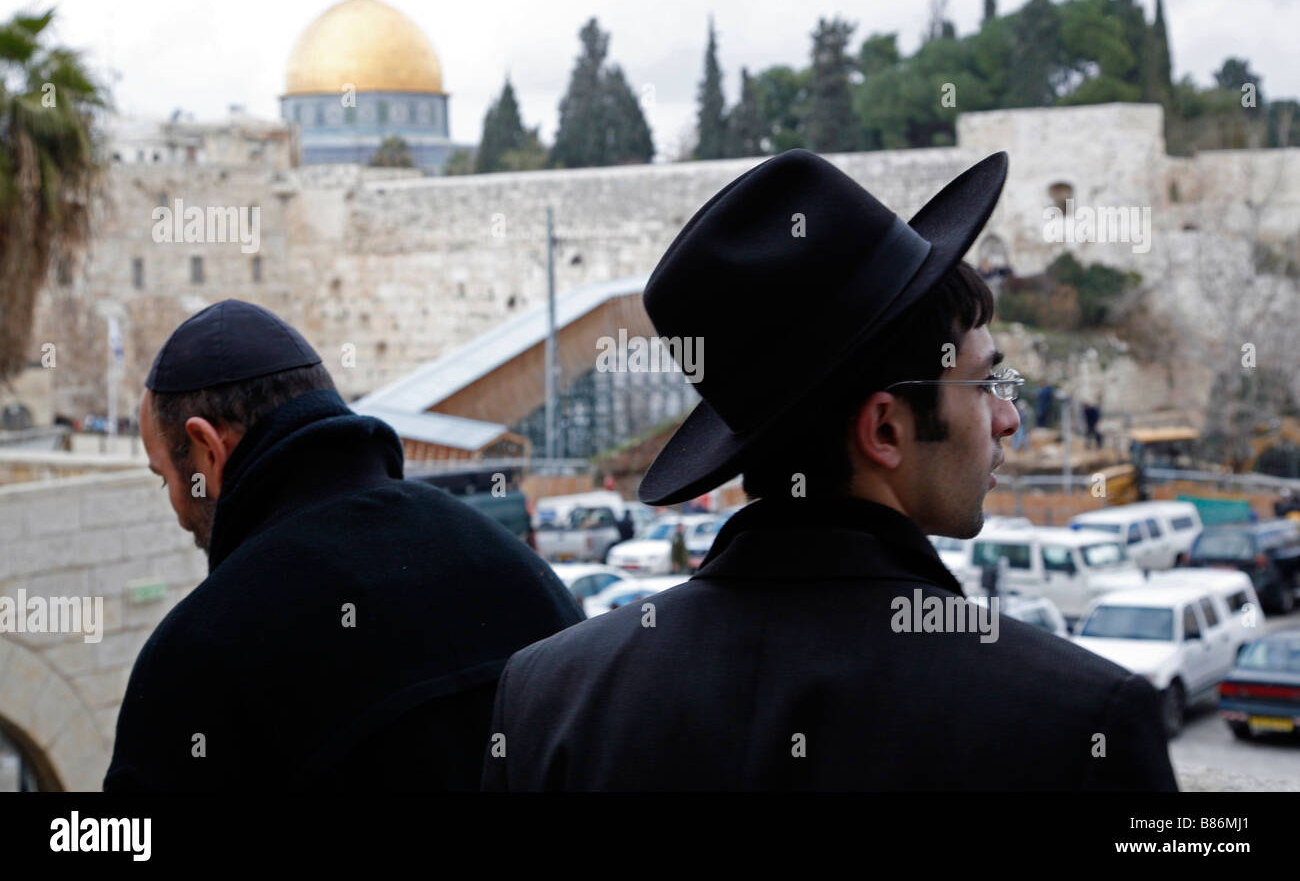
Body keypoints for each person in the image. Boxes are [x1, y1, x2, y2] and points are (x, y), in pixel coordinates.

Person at [483, 149, 1176, 791]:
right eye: (983, 386)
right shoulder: (1081, 725)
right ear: (883, 430)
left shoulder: (549, 699)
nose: (1008, 418)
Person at [105, 300, 582, 791]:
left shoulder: (199, 655)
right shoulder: (523, 573)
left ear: (207, 448)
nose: (179, 512)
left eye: (166, 480)